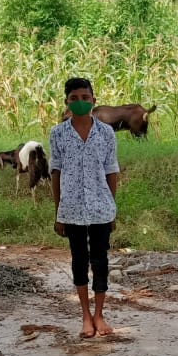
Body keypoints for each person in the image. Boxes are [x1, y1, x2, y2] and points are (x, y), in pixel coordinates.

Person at [49, 77, 119, 339]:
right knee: (79, 261)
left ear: (93, 100)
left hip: (101, 208)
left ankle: (99, 314)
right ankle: (85, 316)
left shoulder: (106, 133)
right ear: (67, 102)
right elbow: (56, 173)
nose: (80, 102)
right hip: (72, 209)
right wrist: (59, 212)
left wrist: (111, 208)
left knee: (100, 261)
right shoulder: (58, 134)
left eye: (85, 98)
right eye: (74, 99)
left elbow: (111, 171)